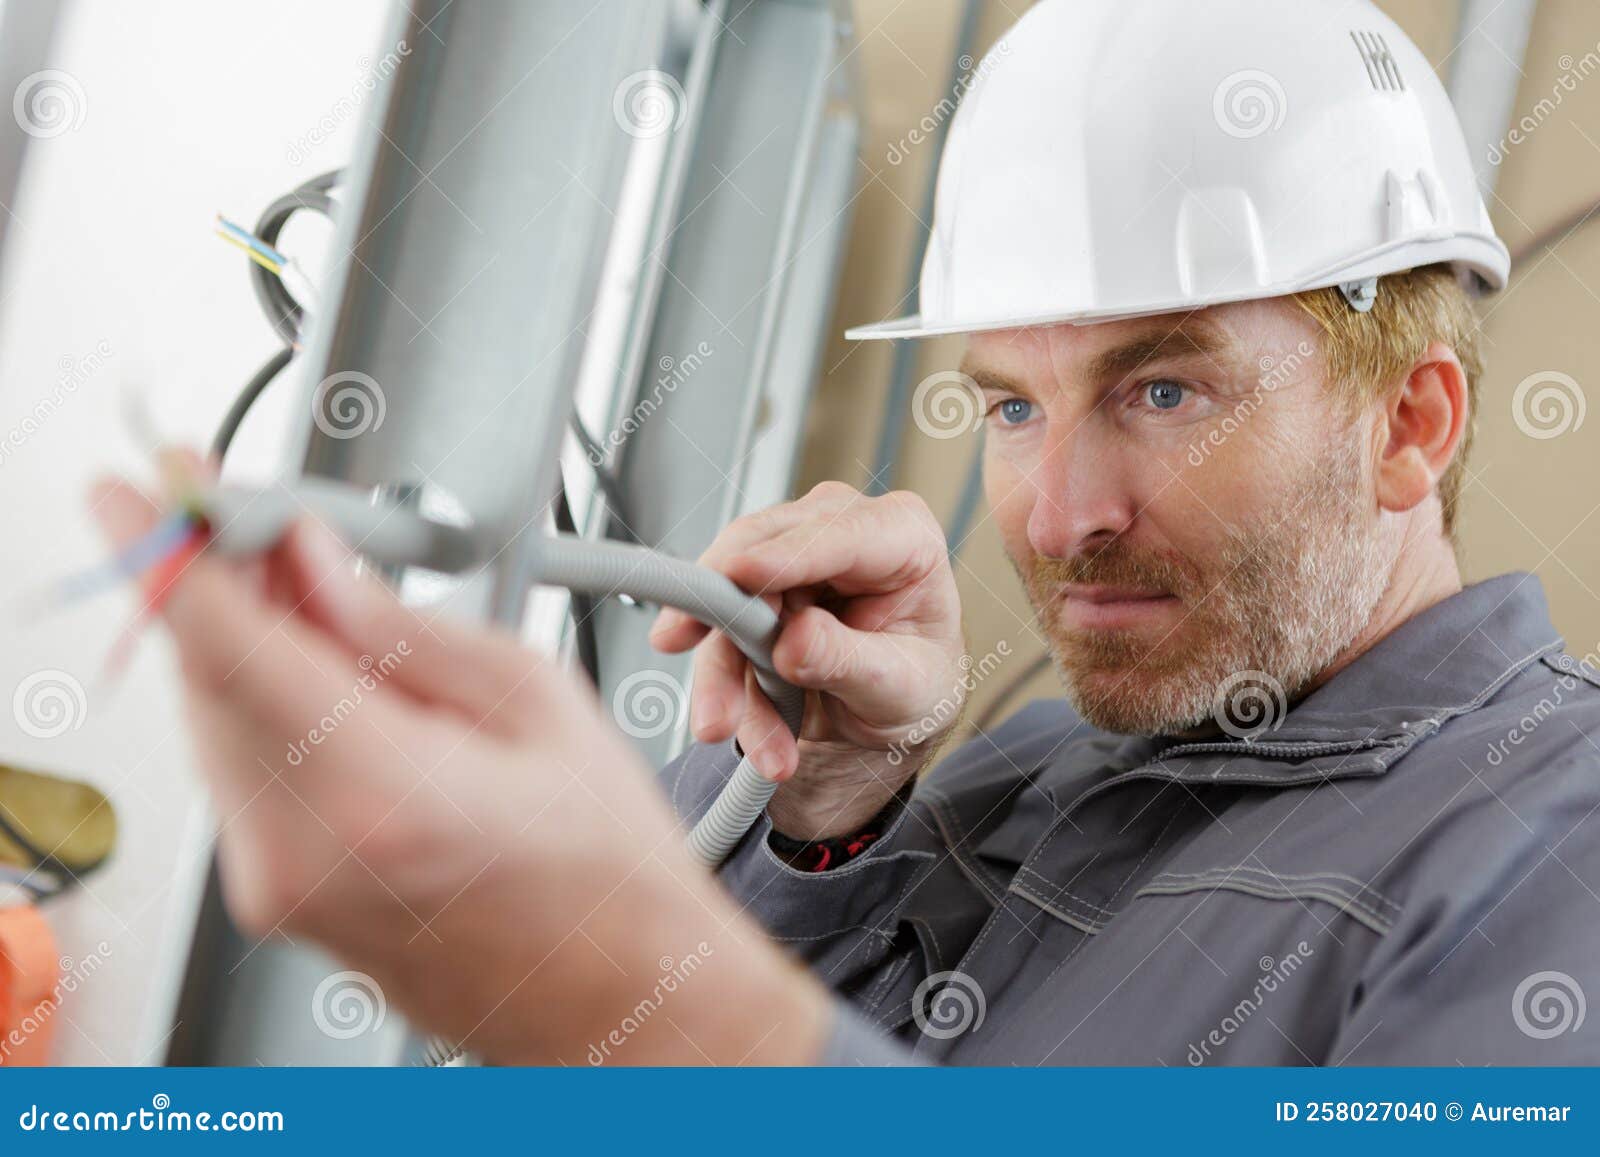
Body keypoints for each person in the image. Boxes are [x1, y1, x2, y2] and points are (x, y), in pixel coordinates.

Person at [96, 0, 1599, 1064]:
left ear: (1411, 424)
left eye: (1164, 390)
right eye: (1011, 405)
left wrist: (636, 990)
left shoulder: (1547, 842)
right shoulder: (1037, 773)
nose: (1060, 516)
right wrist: (825, 817)